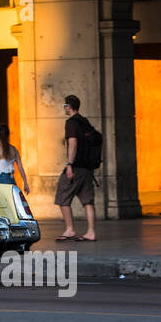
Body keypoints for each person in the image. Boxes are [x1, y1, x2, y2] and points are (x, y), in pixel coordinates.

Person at [54, 95, 97, 242]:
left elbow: (73, 144)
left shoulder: (71, 123)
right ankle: (91, 232)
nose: (64, 108)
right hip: (88, 169)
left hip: (76, 167)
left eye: (64, 106)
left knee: (62, 196)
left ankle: (70, 229)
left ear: (68, 106)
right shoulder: (85, 121)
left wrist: (69, 165)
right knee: (87, 201)